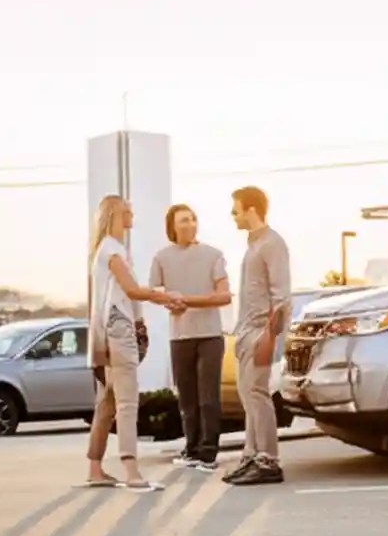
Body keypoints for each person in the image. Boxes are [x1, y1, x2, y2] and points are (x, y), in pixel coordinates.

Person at [86, 194, 181, 489]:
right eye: (128, 211)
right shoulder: (113, 250)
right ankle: (131, 471)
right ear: (115, 214)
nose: (132, 216)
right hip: (118, 328)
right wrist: (165, 296)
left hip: (106, 331)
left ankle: (95, 470)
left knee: (108, 403)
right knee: (128, 402)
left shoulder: (105, 249)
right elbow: (132, 290)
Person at [149, 204, 232, 473]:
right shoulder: (162, 257)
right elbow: (155, 291)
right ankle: (191, 448)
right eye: (183, 220)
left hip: (209, 335)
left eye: (192, 219)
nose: (189, 224)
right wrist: (169, 302)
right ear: (172, 226)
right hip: (180, 336)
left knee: (208, 397)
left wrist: (187, 300)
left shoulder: (213, 255)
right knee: (186, 397)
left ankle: (209, 452)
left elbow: (224, 295)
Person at [224, 185, 291, 486]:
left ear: (251, 209)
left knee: (258, 395)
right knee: (248, 395)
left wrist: (270, 337)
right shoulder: (253, 244)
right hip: (246, 331)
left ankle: (268, 460)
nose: (232, 215)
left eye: (235, 209)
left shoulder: (272, 244)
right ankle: (251, 456)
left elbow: (281, 296)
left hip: (261, 332)